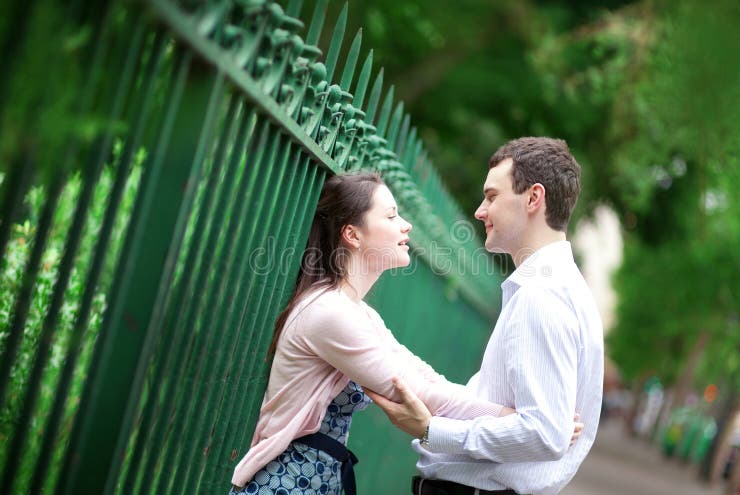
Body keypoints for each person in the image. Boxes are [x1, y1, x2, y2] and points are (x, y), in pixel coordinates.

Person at [229, 173, 581, 495]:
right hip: (286, 482)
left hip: (315, 480)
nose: (406, 225)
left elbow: (425, 376)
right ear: (352, 234)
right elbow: (418, 392)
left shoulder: (357, 313)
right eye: (391, 216)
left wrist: (530, 419)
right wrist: (521, 421)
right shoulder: (329, 313)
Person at [366, 137, 605, 495]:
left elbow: (544, 432)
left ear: (533, 198)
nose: (480, 210)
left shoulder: (541, 295)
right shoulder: (559, 289)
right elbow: (541, 424)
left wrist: (432, 429)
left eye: (492, 196)